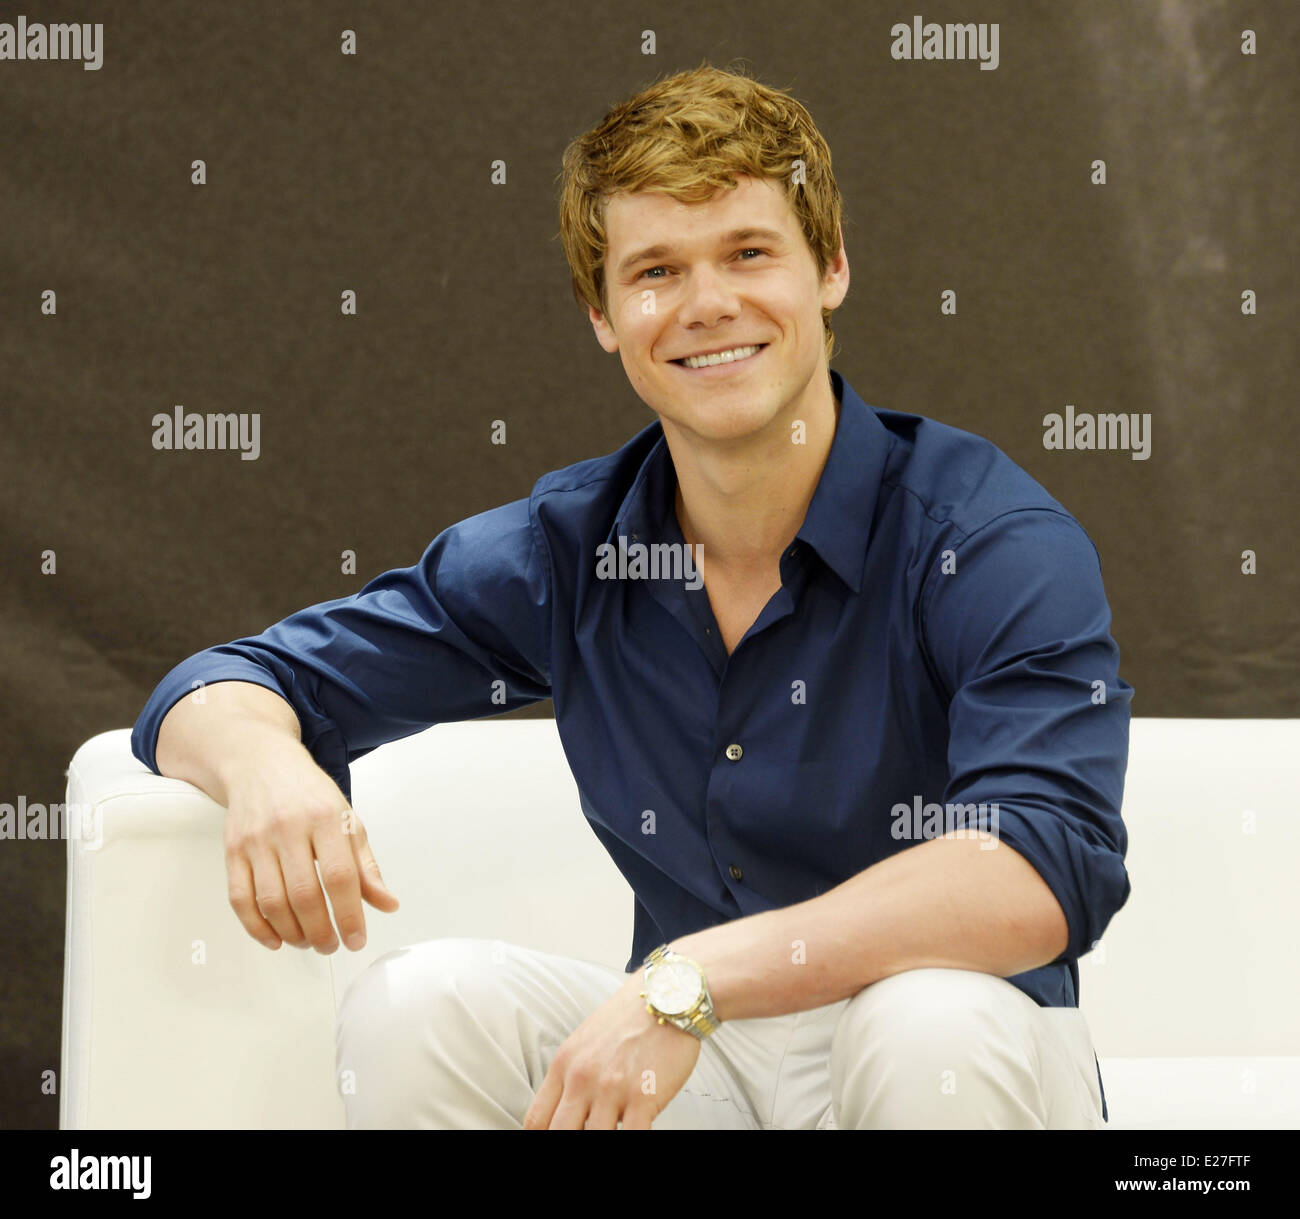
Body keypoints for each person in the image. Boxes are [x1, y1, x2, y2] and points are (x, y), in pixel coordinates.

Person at [131, 61, 1132, 1130]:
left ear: (830, 268)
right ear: (603, 315)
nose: (708, 305)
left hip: (967, 1038)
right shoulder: (570, 549)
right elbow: (229, 683)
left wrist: (692, 978)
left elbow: (1041, 863)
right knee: (419, 1008)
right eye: (655, 272)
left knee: (925, 1022)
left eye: (749, 252)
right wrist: (262, 762)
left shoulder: (984, 539)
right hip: (703, 1053)